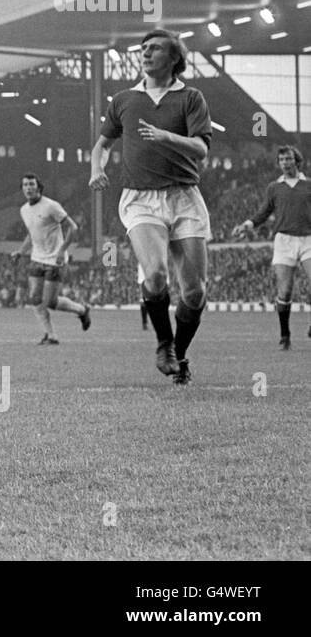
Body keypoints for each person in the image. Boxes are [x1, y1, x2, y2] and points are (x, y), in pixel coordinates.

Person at [90, 29, 212, 385]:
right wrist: (97, 168)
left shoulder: (191, 97)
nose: (146, 53)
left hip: (184, 196)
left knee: (195, 292)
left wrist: (165, 137)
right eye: (143, 48)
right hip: (141, 198)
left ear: (174, 58)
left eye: (155, 48)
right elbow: (102, 145)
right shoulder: (125, 99)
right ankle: (164, 344)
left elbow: (202, 149)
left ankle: (180, 353)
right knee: (156, 274)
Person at [231, 145, 311, 350]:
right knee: (284, 291)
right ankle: (285, 335)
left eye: (288, 159)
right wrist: (248, 224)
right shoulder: (274, 188)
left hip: (308, 239)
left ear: (297, 161)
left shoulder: (308, 185)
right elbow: (263, 212)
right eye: (282, 160)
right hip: (284, 241)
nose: (285, 163)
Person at [9, 174, 91, 345]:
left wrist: (62, 250)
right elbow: (32, 234)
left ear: (38, 187)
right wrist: (20, 251)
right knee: (34, 298)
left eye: (31, 184)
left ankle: (82, 310)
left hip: (55, 260)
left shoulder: (51, 206)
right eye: (25, 185)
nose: (28, 188)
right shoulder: (24, 210)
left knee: (51, 302)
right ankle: (51, 335)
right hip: (36, 258)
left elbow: (72, 227)